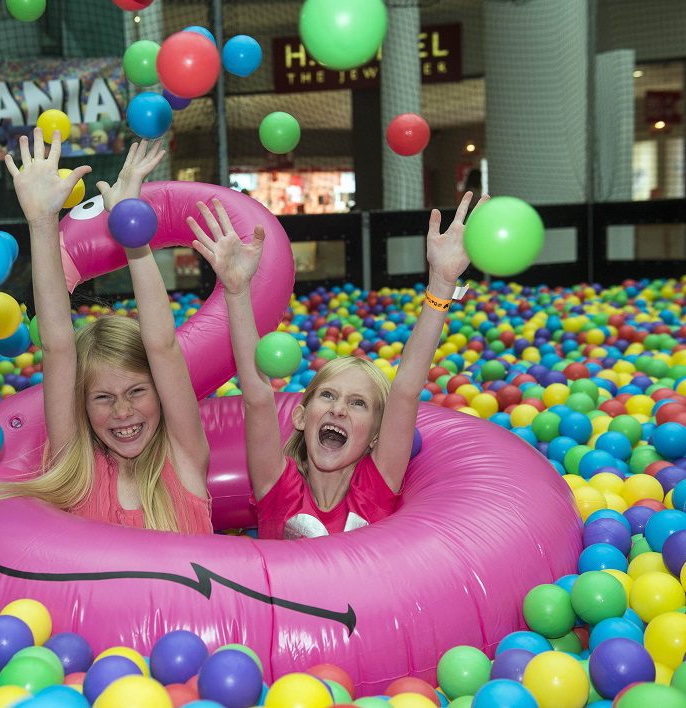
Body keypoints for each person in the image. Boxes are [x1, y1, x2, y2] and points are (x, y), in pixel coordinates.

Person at [0, 131, 212, 534]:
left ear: (161, 392)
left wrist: (132, 231)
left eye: (137, 391)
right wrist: (42, 222)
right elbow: (57, 347)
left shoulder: (183, 460)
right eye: (103, 398)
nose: (123, 412)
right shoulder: (78, 474)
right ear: (83, 407)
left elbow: (162, 346)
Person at [189, 191, 488, 539]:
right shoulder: (277, 487)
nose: (339, 409)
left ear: (376, 437)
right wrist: (236, 290)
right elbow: (257, 396)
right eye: (328, 395)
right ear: (301, 417)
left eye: (358, 403)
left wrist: (442, 284)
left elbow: (406, 390)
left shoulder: (376, 487)